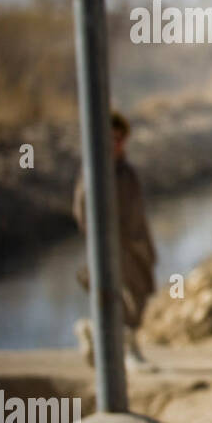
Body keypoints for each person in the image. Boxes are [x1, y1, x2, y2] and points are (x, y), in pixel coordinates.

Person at [72, 110, 157, 372]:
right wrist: (102, 242)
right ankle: (127, 352)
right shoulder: (95, 173)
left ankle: (94, 332)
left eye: (120, 138)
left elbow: (138, 214)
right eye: (111, 138)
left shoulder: (126, 171)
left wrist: (146, 247)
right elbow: (82, 210)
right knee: (125, 299)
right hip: (114, 248)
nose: (117, 143)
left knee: (140, 296)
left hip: (136, 246)